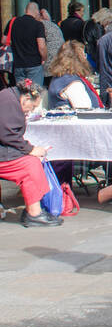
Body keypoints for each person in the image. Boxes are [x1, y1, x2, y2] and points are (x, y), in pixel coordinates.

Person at [0, 78, 62, 227]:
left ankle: (33, 210)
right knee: (30, 165)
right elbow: (7, 134)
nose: (31, 111)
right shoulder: (8, 101)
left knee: (31, 162)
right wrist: (31, 149)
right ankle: (34, 213)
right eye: (32, 107)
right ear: (26, 98)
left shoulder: (9, 97)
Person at [46, 40, 102, 109]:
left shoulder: (57, 79)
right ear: (79, 60)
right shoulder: (73, 83)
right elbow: (84, 109)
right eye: (84, 55)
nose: (86, 58)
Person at [4, 2, 47, 86]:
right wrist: (44, 58)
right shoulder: (38, 25)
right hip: (34, 64)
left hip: (18, 64)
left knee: (21, 93)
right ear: (37, 12)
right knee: (35, 93)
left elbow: (4, 40)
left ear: (25, 10)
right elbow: (41, 46)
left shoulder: (13, 22)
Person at [84, 6, 112, 71]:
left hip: (88, 51)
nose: (108, 24)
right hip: (93, 53)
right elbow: (100, 42)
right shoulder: (98, 26)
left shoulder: (88, 22)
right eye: (108, 21)